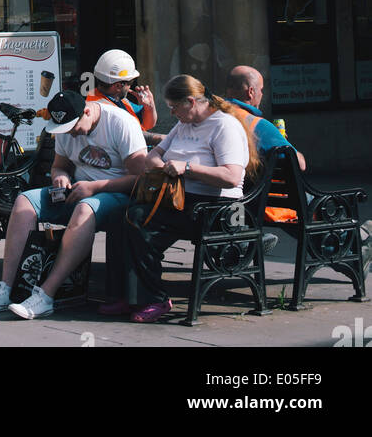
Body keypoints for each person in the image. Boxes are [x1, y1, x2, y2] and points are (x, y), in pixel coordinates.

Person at [0, 89, 147, 319]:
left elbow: (141, 178)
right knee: (24, 201)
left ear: (86, 111)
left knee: (84, 209)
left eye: (73, 128)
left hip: (116, 193)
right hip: (77, 190)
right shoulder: (65, 126)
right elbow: (59, 165)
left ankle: (46, 295)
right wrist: (60, 177)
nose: (71, 134)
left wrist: (95, 187)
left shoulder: (121, 123)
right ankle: (6, 288)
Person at [115, 74, 260, 323]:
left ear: (191, 102)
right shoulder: (184, 125)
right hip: (182, 199)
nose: (171, 113)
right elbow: (152, 157)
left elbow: (232, 176)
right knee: (126, 216)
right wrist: (163, 165)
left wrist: (188, 168)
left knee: (139, 222)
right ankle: (134, 294)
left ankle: (154, 298)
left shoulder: (224, 126)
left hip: (217, 209)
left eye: (174, 107)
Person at [225, 65, 306, 171]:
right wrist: (281, 139)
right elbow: (300, 164)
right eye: (261, 90)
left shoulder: (212, 114)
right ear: (251, 92)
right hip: (247, 186)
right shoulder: (259, 125)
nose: (262, 94)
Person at [86, 49, 160, 139]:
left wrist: (149, 108)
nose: (131, 87)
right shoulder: (101, 108)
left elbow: (148, 124)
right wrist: (160, 138)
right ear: (118, 86)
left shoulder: (117, 99)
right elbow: (129, 135)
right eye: (131, 82)